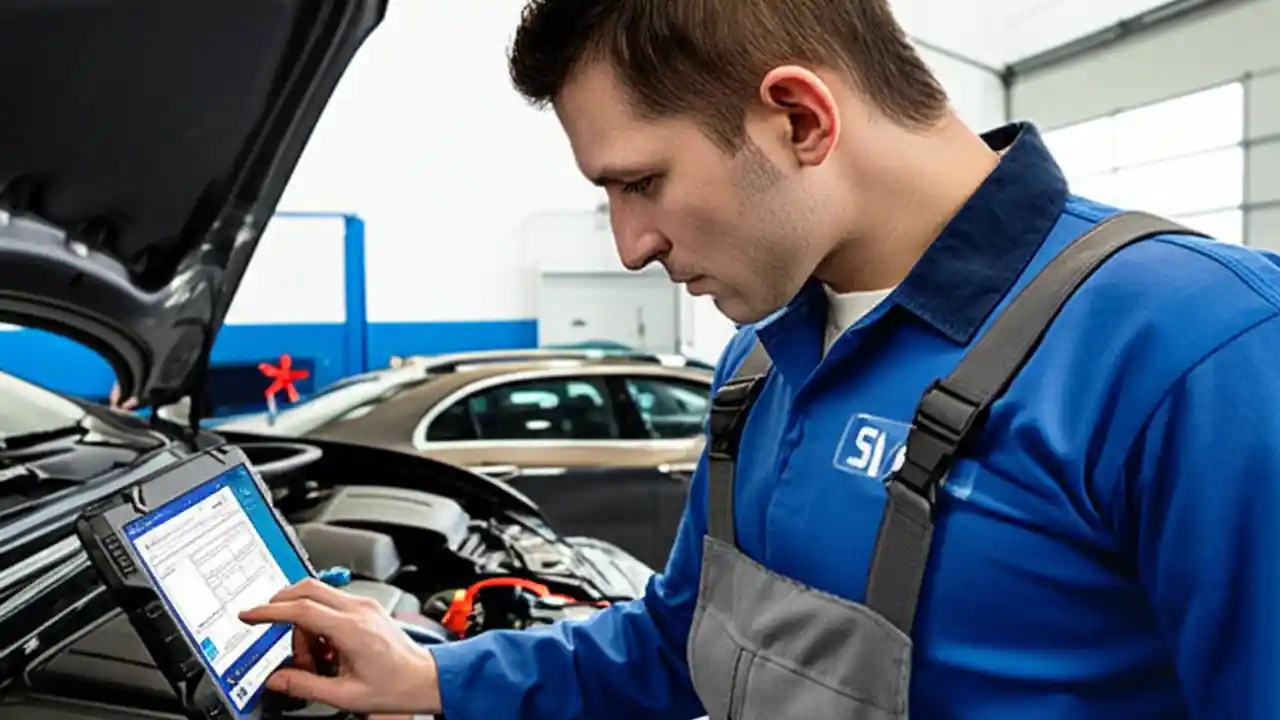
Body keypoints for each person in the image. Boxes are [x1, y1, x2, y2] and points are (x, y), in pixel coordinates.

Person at [239, 1, 1280, 717]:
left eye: (640, 183)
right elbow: (677, 642)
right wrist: (430, 675)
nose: (629, 246)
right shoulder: (759, 364)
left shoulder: (1198, 351)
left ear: (799, 119)